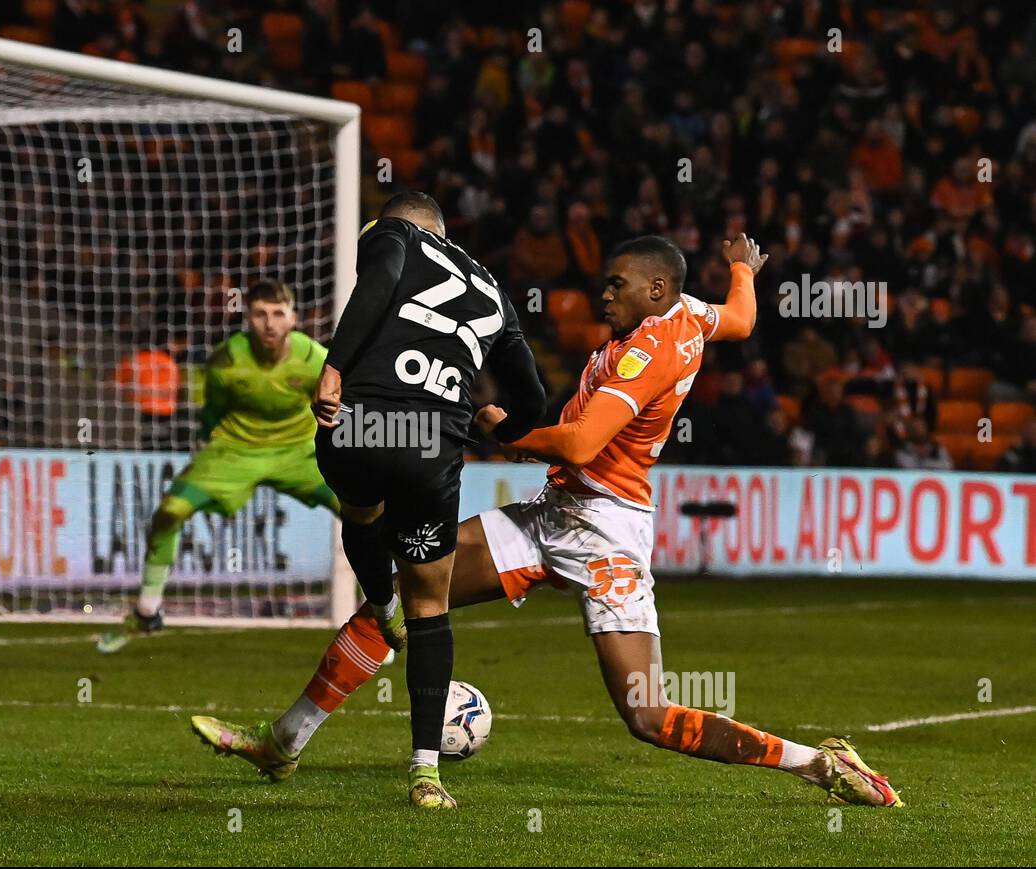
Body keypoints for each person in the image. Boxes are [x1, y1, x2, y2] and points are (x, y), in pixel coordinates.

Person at [190, 234, 902, 810]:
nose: (603, 293)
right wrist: (743, 268)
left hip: (606, 532)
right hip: (553, 513)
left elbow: (581, 444)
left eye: (617, 283)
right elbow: (741, 318)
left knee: (646, 717)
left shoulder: (651, 346)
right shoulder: (688, 313)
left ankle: (818, 762)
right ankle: (281, 743)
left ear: (654, 290)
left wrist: (494, 427)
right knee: (412, 590)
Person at [194, 192, 545, 809]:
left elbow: (379, 281)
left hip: (361, 426)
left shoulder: (395, 236)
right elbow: (533, 397)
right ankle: (426, 776)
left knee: (360, 512)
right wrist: (503, 427)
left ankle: (381, 605)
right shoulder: (493, 291)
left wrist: (334, 367)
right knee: (432, 603)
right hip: (434, 445)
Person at [97, 280, 339, 653]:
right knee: (170, 512)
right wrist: (212, 446)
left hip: (298, 453)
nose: (270, 323)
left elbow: (333, 409)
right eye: (260, 314)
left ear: (293, 317)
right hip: (234, 451)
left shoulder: (315, 360)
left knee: (364, 513)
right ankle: (147, 611)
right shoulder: (226, 360)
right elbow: (211, 412)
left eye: (278, 314)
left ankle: (380, 619)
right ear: (247, 319)